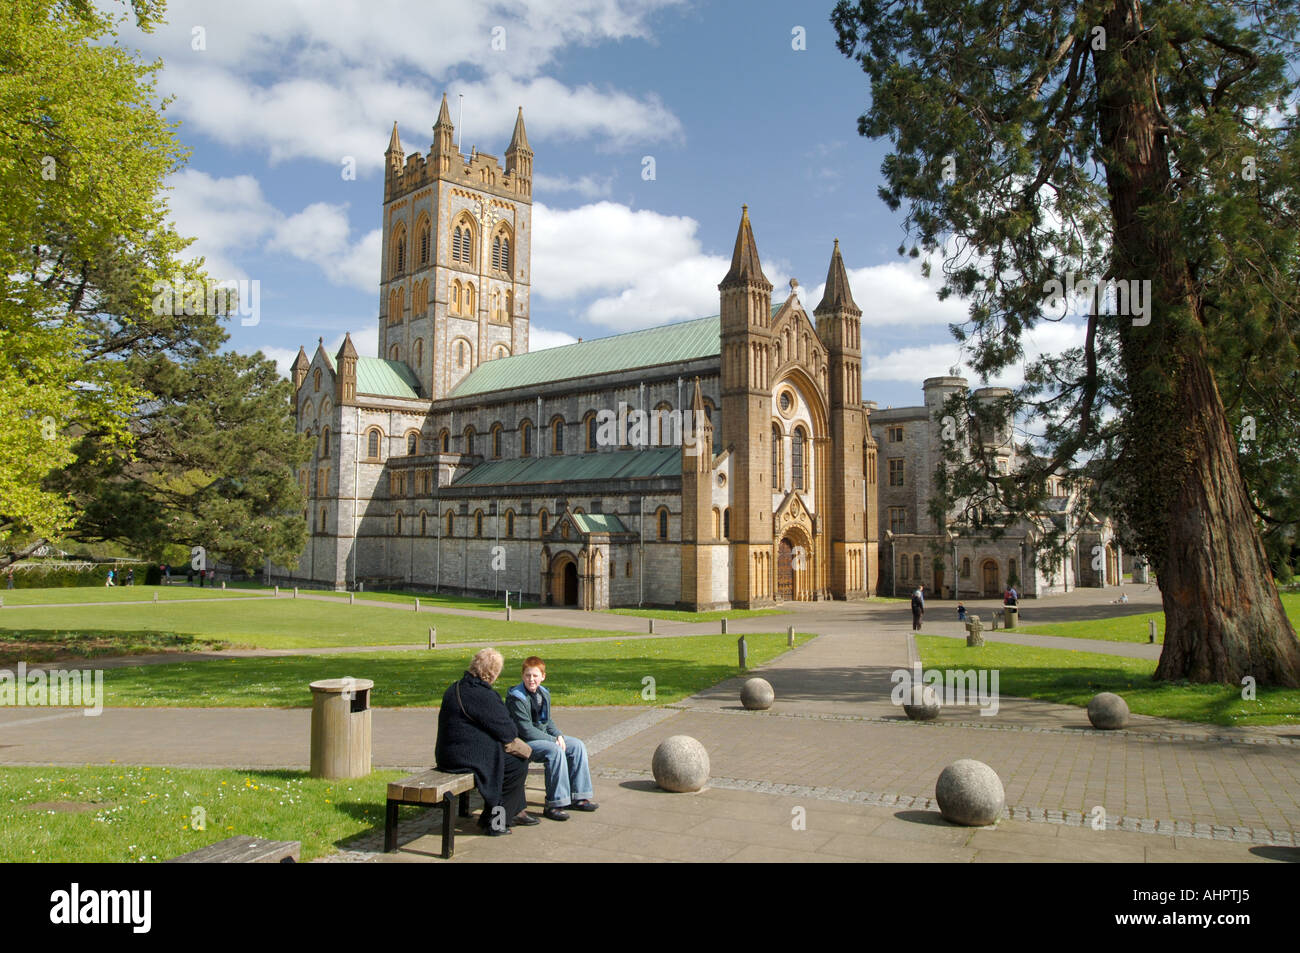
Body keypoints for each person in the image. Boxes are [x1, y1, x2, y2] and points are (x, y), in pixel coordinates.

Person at [435, 648, 538, 836]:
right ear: (494, 673)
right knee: (517, 764)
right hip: (465, 758)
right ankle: (496, 822)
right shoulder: (483, 694)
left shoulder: (455, 687)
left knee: (508, 759)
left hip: (447, 754)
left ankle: (509, 812)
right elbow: (508, 731)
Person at [506, 656, 597, 821]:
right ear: (522, 676)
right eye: (528, 675)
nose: (531, 679)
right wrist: (553, 740)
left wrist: (559, 735)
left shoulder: (544, 693)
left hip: (542, 737)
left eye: (535, 676)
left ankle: (579, 796)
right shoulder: (516, 697)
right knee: (554, 751)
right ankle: (554, 803)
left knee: (577, 745)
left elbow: (548, 721)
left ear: (543, 676)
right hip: (522, 742)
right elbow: (525, 730)